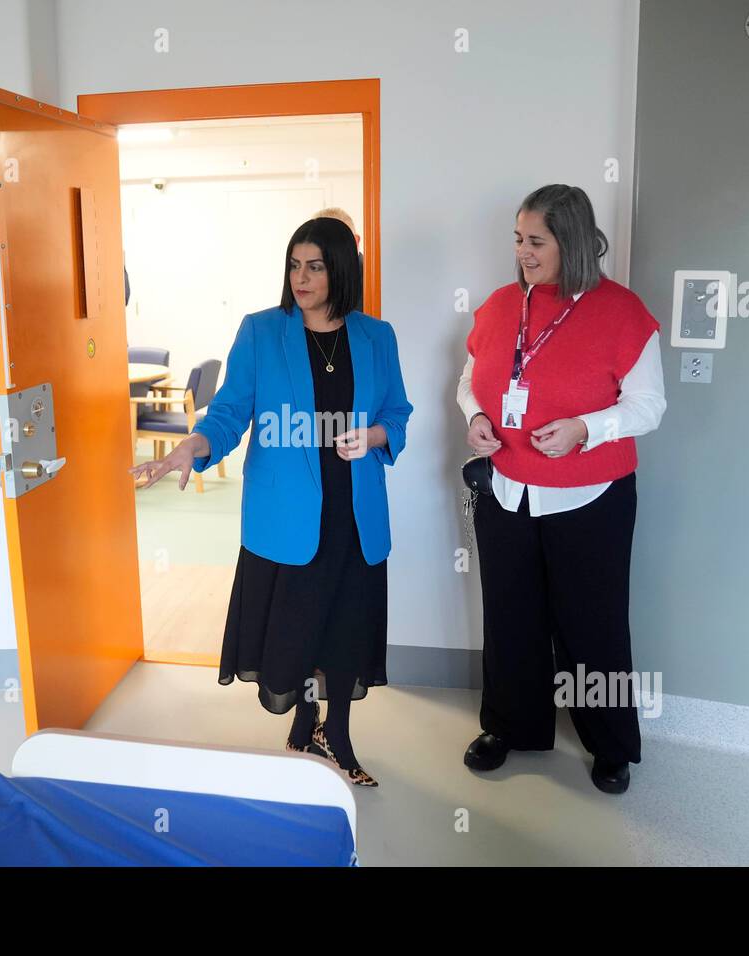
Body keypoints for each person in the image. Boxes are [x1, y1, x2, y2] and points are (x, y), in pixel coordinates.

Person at [131, 217, 412, 787]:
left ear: (342, 271)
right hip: (288, 517)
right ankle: (304, 726)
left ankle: (339, 734)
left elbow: (397, 413)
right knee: (299, 628)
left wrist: (375, 436)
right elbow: (232, 411)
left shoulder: (376, 336)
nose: (301, 277)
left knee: (345, 627)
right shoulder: (261, 332)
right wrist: (195, 444)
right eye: (294, 264)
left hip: (354, 514)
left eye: (316, 266)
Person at [455, 184, 666, 794]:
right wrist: (475, 418)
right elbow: (470, 379)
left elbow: (650, 406)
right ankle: (509, 726)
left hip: (590, 497)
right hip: (506, 490)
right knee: (511, 615)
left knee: (593, 625)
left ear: (570, 241)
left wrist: (587, 428)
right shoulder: (499, 306)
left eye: (535, 240)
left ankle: (609, 745)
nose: (522, 251)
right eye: (518, 239)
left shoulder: (622, 312)